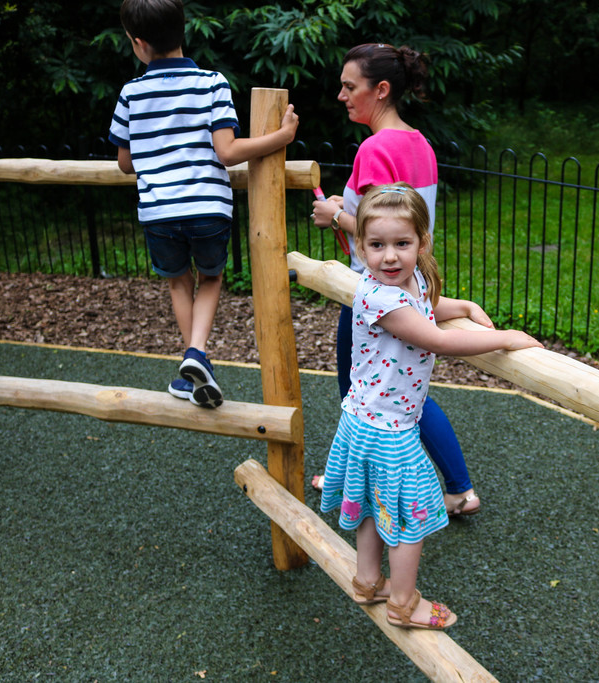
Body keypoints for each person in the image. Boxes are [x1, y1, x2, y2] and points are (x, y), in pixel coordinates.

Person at [319, 183, 542, 629]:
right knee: (410, 517)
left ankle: (368, 581)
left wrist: (463, 304)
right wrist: (504, 338)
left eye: (402, 244)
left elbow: (425, 307)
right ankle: (403, 602)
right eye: (376, 246)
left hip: (364, 419)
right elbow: (435, 338)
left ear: (422, 242)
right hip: (389, 431)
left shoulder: (408, 280)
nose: (389, 257)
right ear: (359, 246)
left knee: (370, 504)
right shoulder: (379, 295)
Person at [310, 43, 479, 516]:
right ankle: (459, 487)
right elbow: (407, 226)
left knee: (363, 392)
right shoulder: (420, 143)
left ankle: (353, 480)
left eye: (350, 86)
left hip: (375, 291)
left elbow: (374, 231)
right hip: (412, 283)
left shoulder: (374, 148)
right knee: (406, 390)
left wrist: (333, 214)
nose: (342, 95)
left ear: (380, 90)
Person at [109, 0, 298, 408]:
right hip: (207, 207)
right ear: (182, 31)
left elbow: (125, 163)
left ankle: (192, 363)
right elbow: (228, 152)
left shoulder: (130, 93)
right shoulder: (212, 83)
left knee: (179, 281)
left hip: (159, 211)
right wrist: (281, 138)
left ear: (139, 44)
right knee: (211, 278)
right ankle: (196, 357)